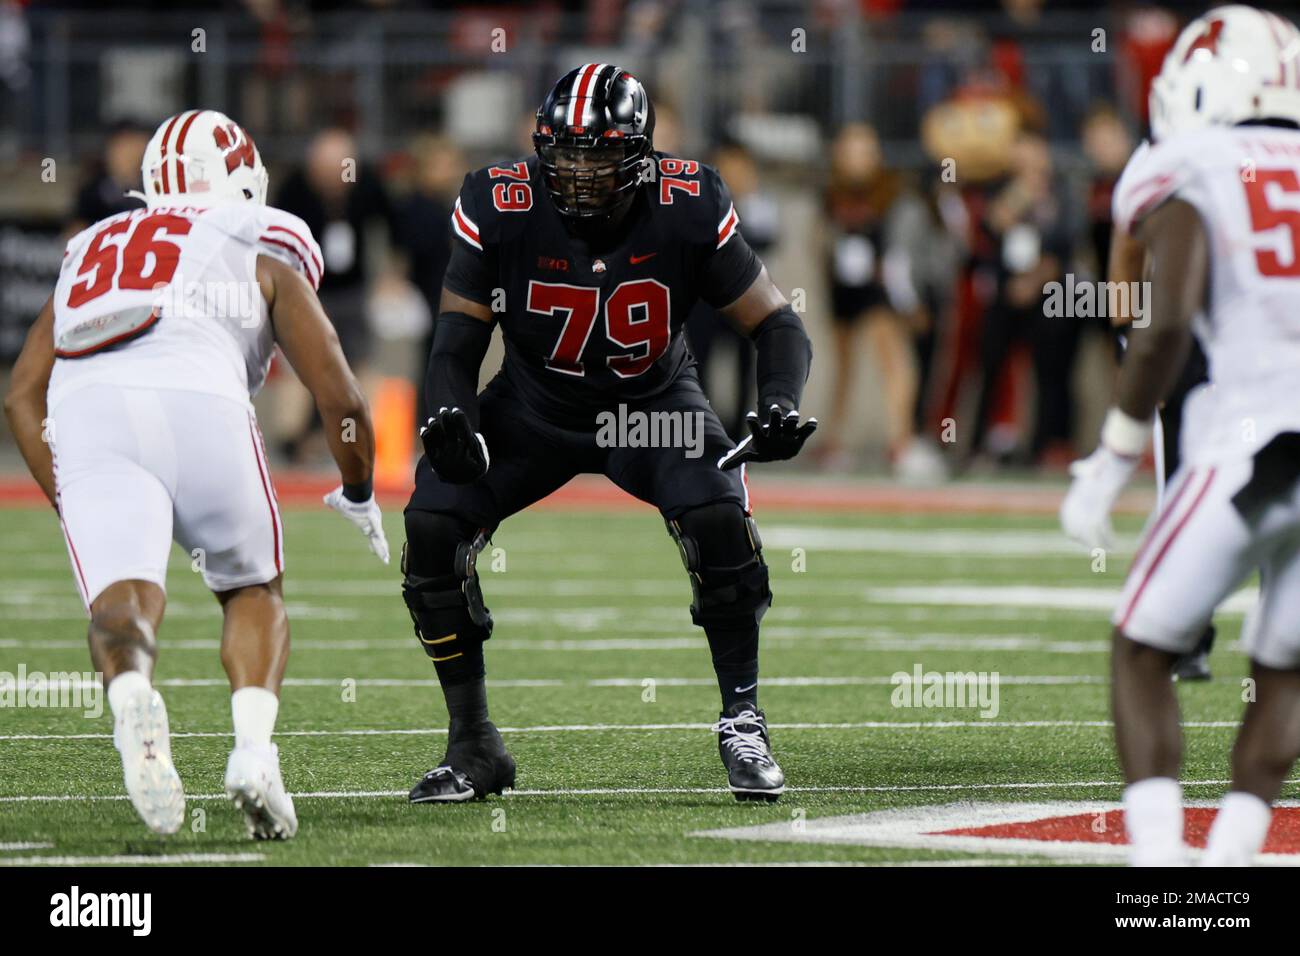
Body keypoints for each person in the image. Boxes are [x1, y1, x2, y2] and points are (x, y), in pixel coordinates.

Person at [402, 65, 816, 805]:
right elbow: (454, 347)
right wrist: (450, 418)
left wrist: (778, 402)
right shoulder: (498, 202)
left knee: (720, 519)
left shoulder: (688, 203)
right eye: (564, 152)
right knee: (432, 526)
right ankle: (473, 745)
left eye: (598, 154)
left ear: (641, 153)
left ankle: (743, 719)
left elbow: (776, 323)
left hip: (651, 406)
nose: (580, 171)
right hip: (535, 407)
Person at [3, 109, 389, 839]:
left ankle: (129, 700)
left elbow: (20, 394)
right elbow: (339, 394)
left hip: (87, 409)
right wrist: (360, 484)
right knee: (250, 586)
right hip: (199, 395)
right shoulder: (258, 242)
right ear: (244, 185)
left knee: (122, 605)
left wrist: (73, 496)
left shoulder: (91, 245)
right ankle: (252, 752)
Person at [1061, 5, 1300, 866]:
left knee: (1141, 647)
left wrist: (1115, 454)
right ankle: (1232, 859)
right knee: (1285, 665)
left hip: (1251, 443)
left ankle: (1160, 868)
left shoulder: (1187, 160)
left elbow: (1158, 326)